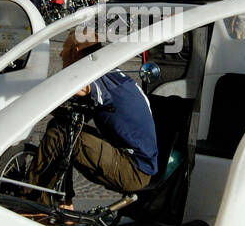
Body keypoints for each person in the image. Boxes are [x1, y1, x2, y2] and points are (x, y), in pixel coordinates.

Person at [25, 31, 158, 207]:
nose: (60, 53)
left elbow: (81, 89)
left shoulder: (100, 76)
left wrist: (31, 85)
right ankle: (63, 202)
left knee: (63, 132)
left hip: (133, 169)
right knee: (65, 125)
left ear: (75, 51)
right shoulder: (109, 70)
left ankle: (33, 205)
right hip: (129, 159)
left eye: (64, 47)